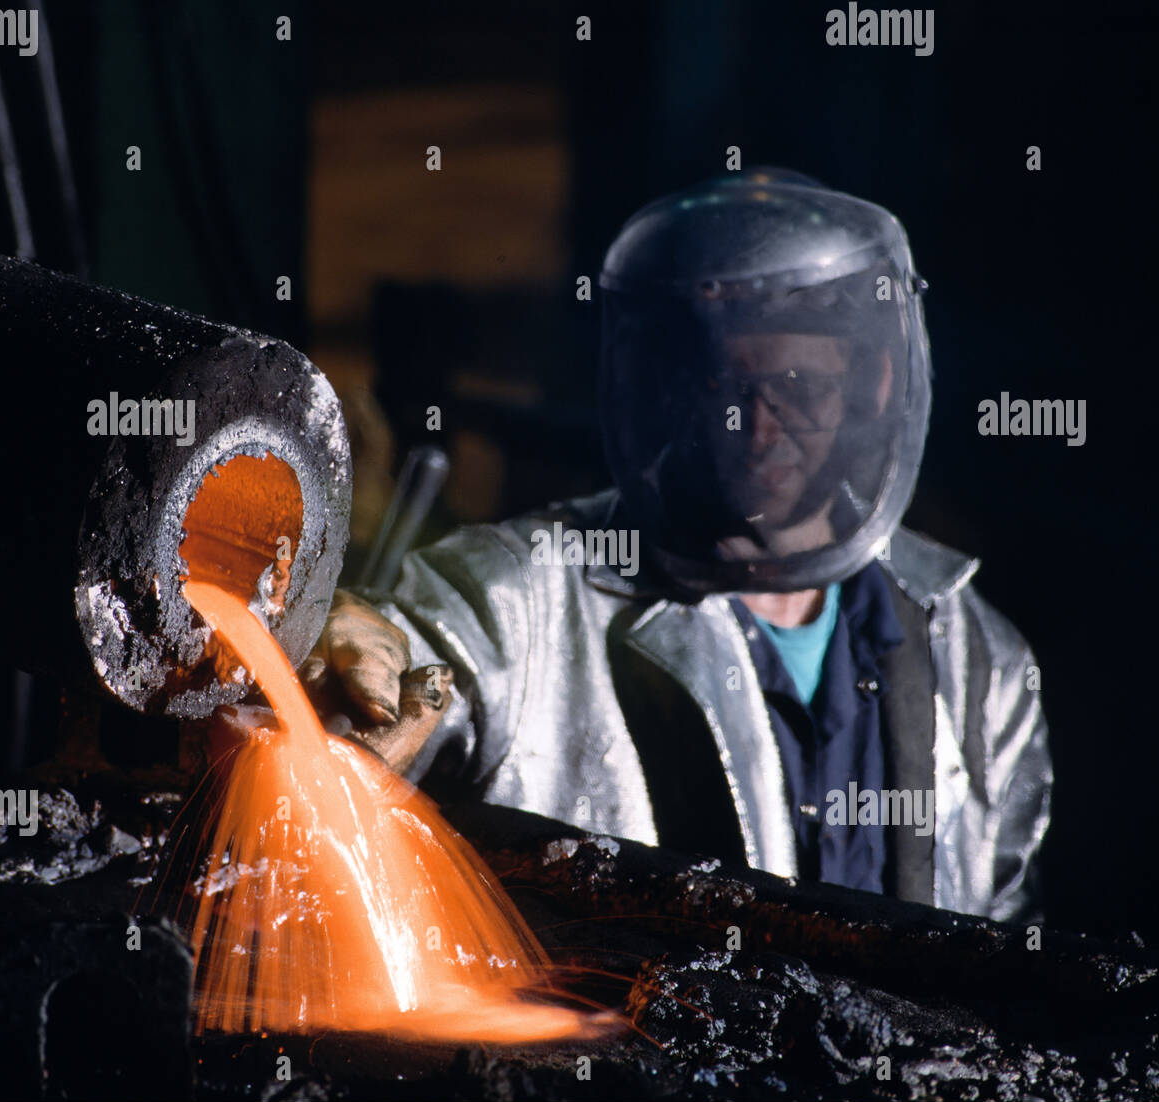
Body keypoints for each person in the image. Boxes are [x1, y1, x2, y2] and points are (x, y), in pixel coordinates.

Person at [299, 169, 1053, 924]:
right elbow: (426, 649)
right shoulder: (525, 596)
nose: (757, 431)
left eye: (797, 385)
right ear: (662, 387)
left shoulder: (974, 657)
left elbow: (1006, 955)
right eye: (723, 388)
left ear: (878, 382)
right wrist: (351, 643)